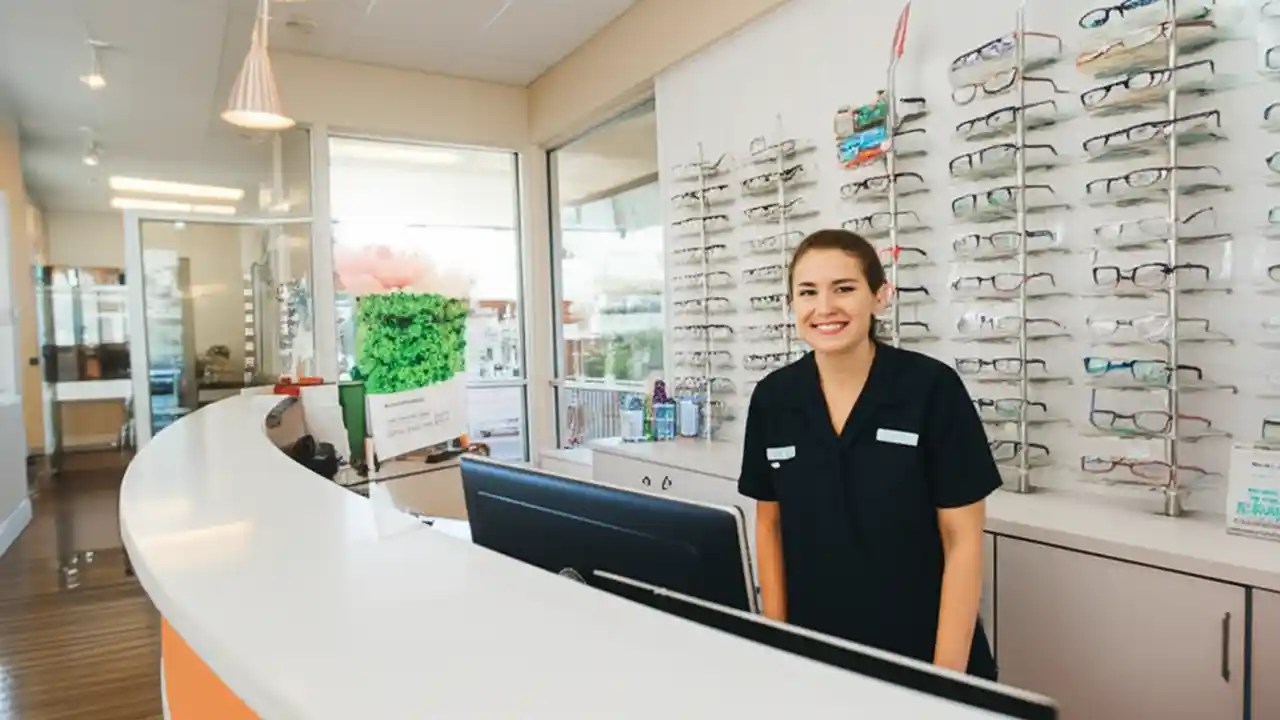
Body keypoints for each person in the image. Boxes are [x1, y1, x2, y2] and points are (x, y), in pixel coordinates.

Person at [738, 228, 1000, 680]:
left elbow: (963, 541)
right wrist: (775, 644)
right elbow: (769, 524)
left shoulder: (931, 390)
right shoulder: (773, 398)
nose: (825, 308)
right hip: (815, 650)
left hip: (925, 649)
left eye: (844, 288)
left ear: (880, 296)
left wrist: (946, 680)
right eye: (807, 292)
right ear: (791, 305)